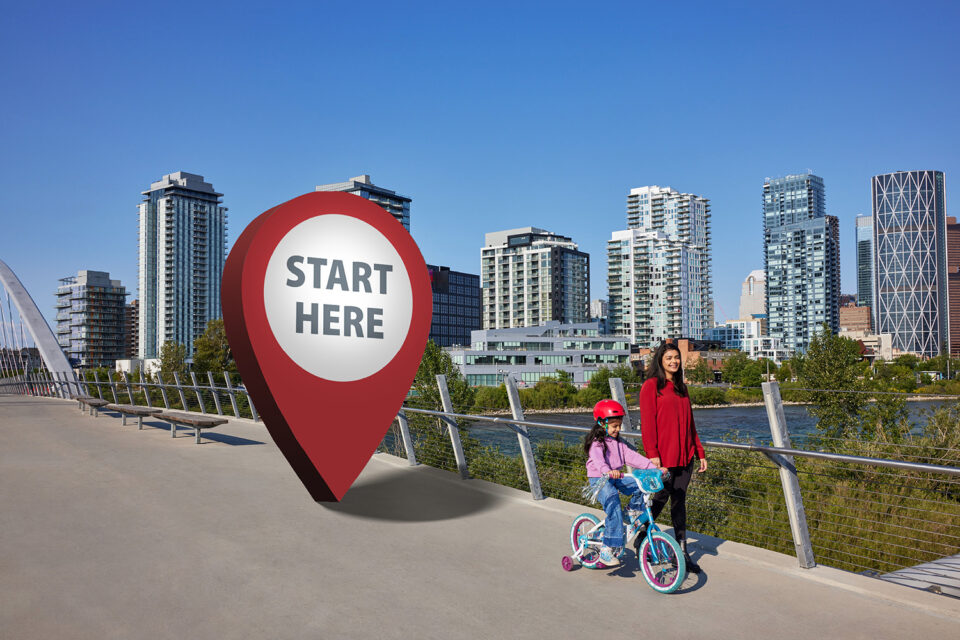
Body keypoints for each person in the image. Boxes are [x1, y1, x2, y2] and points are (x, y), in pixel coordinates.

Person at [639, 342, 708, 574]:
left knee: (680, 502)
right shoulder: (651, 386)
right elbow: (648, 426)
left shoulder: (682, 388)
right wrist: (653, 455)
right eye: (669, 357)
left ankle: (682, 553)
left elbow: (691, 424)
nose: (673, 362)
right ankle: (642, 535)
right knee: (661, 497)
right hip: (664, 458)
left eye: (676, 358)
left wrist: (700, 452)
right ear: (660, 360)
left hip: (685, 455)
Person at [584, 398, 663, 567]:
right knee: (612, 500)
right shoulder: (597, 443)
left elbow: (632, 457)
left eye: (619, 425)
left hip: (616, 476)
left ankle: (632, 511)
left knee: (642, 484)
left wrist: (653, 469)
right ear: (601, 423)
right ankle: (607, 548)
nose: (617, 429)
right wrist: (607, 471)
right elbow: (598, 461)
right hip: (600, 478)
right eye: (614, 426)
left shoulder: (619, 444)